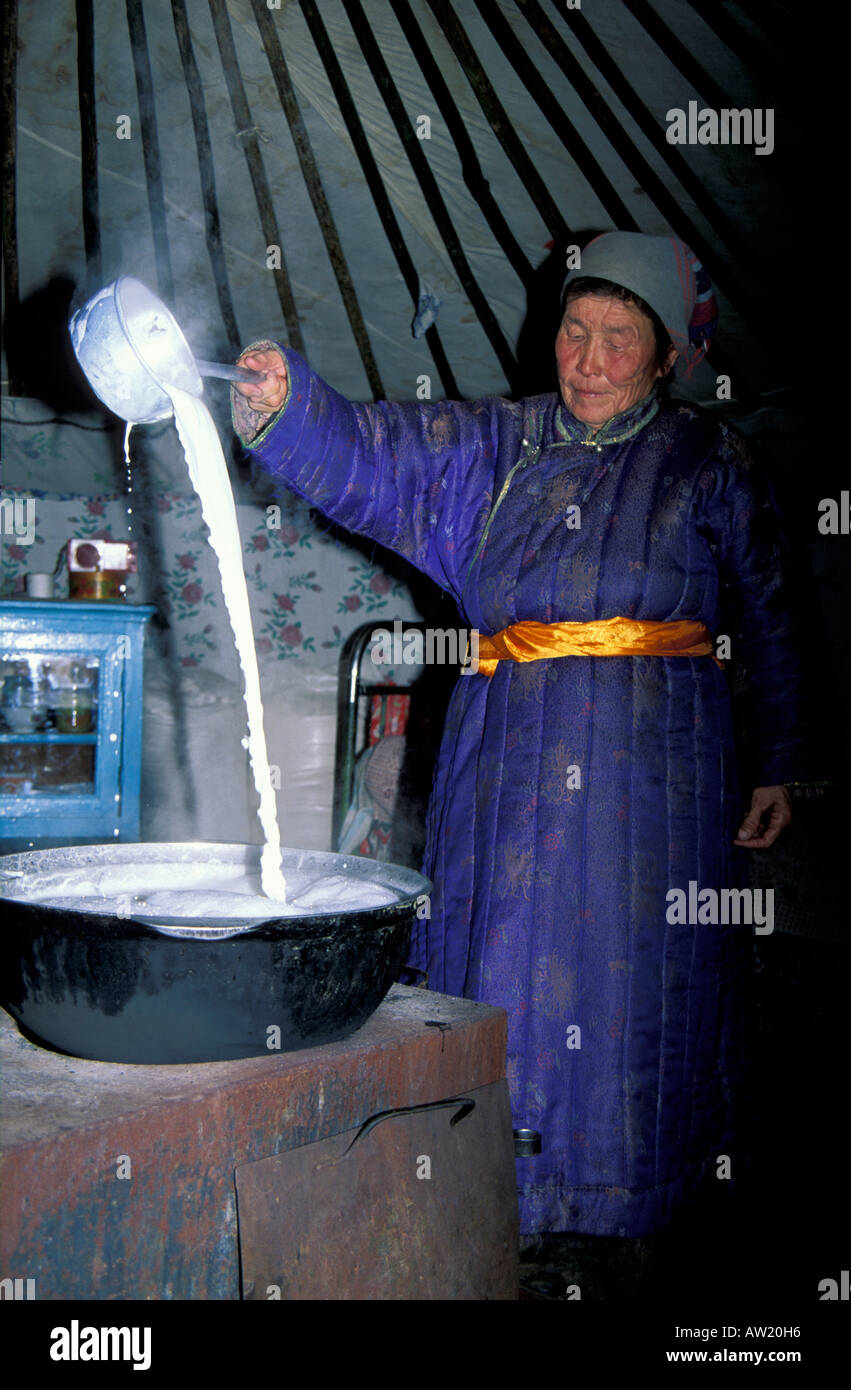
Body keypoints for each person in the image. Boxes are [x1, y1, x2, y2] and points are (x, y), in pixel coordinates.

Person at [232, 231, 809, 1242]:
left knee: (634, 976)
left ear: (667, 355)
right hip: (509, 757)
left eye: (617, 341)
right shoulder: (496, 446)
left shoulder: (707, 461)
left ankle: (628, 1191)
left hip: (655, 773)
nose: (586, 361)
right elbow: (379, 455)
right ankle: (491, 1180)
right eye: (572, 333)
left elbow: (771, 616)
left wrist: (780, 761)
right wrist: (290, 407)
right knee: (503, 955)